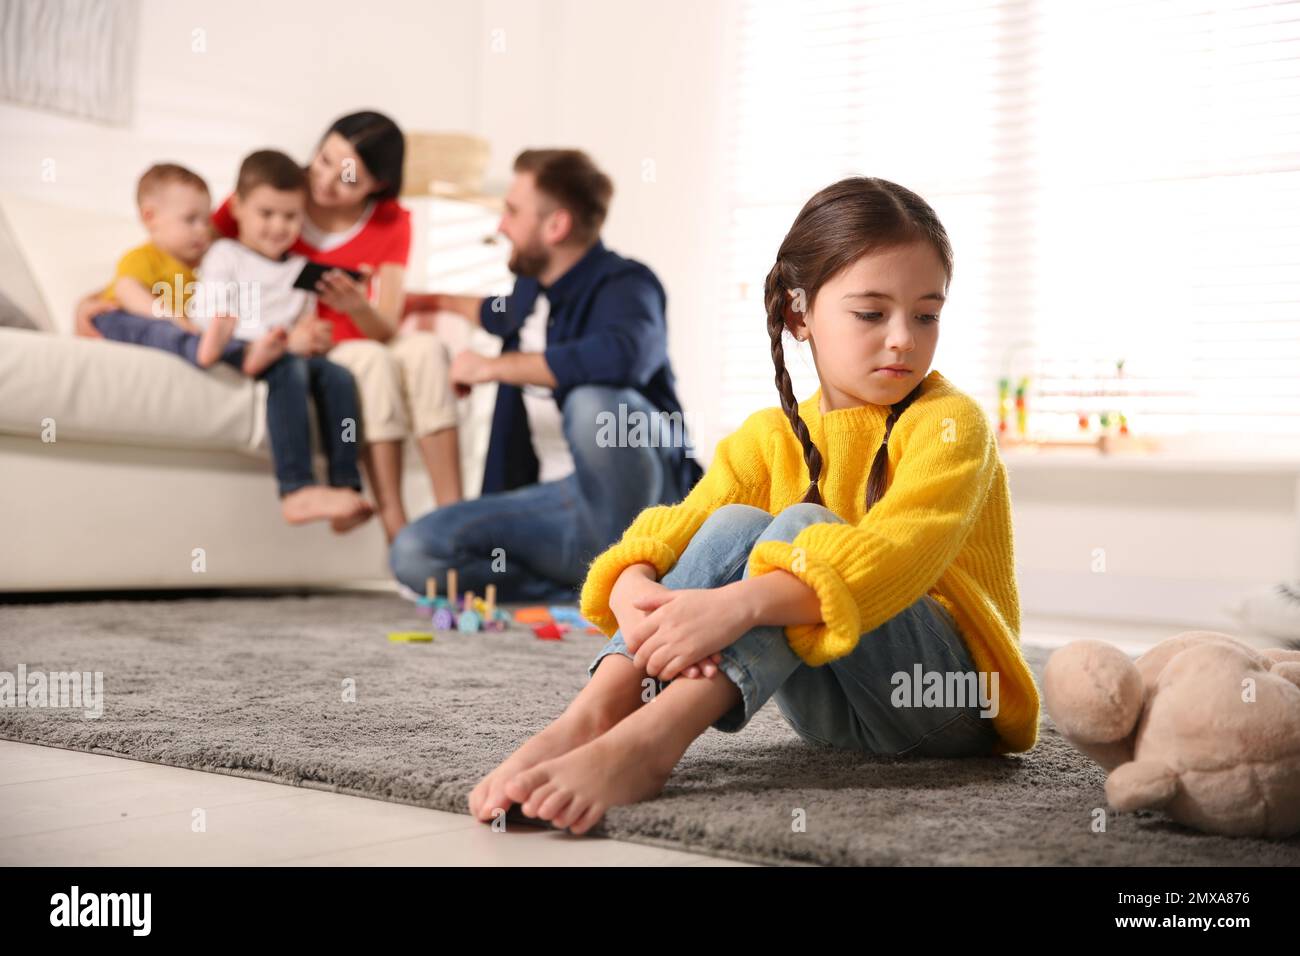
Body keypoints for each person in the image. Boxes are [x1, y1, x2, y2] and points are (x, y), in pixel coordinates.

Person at [467, 177, 1042, 835]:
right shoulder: (769, 435)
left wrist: (738, 604)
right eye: (871, 313)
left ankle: (656, 739)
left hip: (948, 709)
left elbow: (895, 560)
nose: (903, 340)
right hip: (834, 714)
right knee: (737, 522)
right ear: (799, 316)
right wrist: (630, 584)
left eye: (926, 314)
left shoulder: (950, 424)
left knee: (805, 528)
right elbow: (677, 528)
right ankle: (594, 713)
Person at [78, 111, 461, 539]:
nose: (327, 181)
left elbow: (381, 322)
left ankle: (453, 520)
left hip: (336, 338)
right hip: (282, 341)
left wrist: (352, 308)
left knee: (421, 352)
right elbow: (181, 258)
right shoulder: (269, 189)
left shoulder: (385, 225)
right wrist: (110, 298)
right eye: (324, 160)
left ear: (377, 186)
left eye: (349, 178)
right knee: (361, 364)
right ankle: (387, 520)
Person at [391, 148, 704, 602]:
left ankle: (634, 571)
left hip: (647, 511)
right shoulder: (529, 293)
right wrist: (426, 301)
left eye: (512, 211)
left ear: (555, 226)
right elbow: (492, 313)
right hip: (563, 510)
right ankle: (586, 592)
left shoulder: (627, 284)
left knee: (595, 404)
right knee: (416, 551)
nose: (501, 225)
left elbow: (625, 356)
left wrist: (491, 368)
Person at [87, 154, 372, 531]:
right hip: (250, 348)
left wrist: (313, 334)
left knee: (338, 377)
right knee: (291, 369)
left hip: (279, 347)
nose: (278, 226)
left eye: (290, 216)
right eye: (267, 213)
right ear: (237, 207)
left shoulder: (299, 271)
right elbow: (210, 316)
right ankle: (297, 489)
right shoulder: (222, 255)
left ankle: (345, 488)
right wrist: (282, 345)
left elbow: (304, 319)